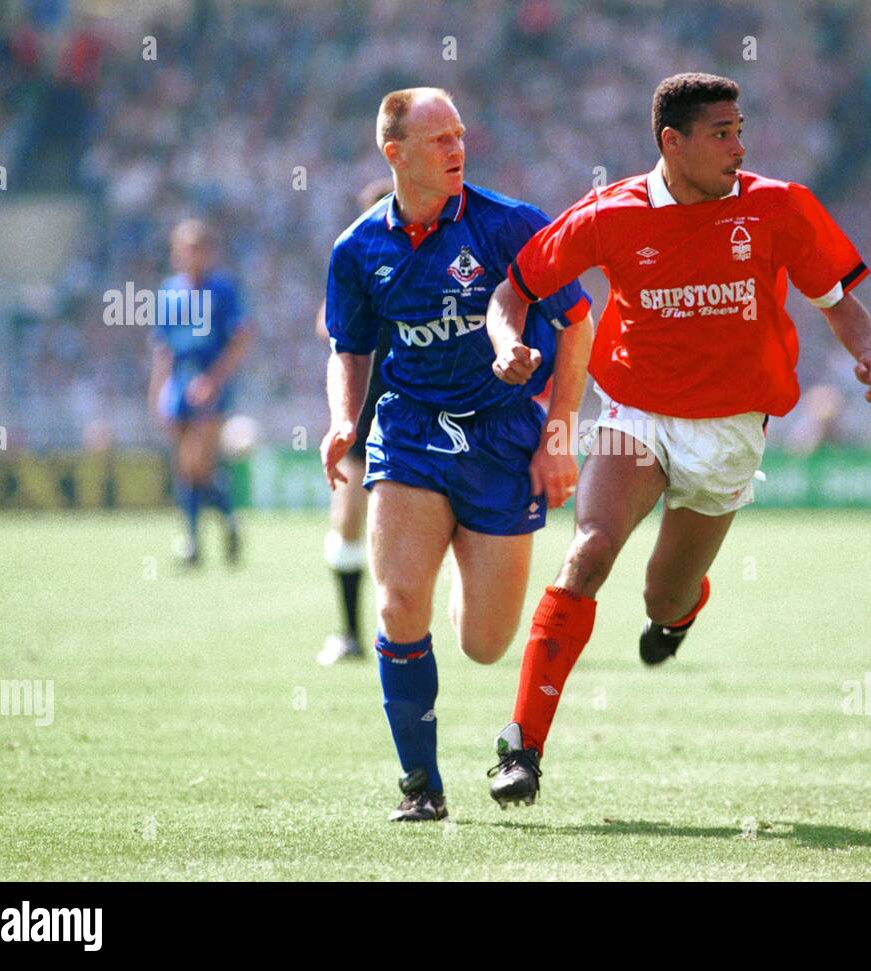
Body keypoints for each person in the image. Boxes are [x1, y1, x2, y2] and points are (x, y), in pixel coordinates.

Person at [484, 72, 871, 807]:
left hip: (732, 427)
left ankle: (678, 612)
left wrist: (867, 354)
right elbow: (513, 289)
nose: (740, 147)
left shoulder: (779, 207)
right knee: (587, 554)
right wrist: (505, 342)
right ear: (671, 143)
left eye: (741, 130)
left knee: (661, 591)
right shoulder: (610, 214)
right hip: (636, 411)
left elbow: (838, 303)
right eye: (722, 133)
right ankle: (521, 747)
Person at [319, 87, 592, 821]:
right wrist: (345, 419)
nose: (456, 150)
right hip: (410, 429)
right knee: (400, 602)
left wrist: (558, 431)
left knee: (483, 642)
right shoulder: (356, 249)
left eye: (460, 136)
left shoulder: (512, 225)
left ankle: (467, 564)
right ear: (395, 153)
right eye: (438, 139)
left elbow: (578, 320)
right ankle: (420, 785)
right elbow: (349, 348)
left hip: (504, 435)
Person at [315, 177, 393, 666]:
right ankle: (349, 633)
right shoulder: (354, 264)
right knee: (347, 521)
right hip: (363, 411)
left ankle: (407, 627)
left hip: (419, 408)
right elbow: (328, 324)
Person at [147, 219, 252, 566]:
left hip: (210, 385)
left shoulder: (223, 290)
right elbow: (162, 348)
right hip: (179, 384)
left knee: (198, 463)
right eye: (183, 247)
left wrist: (213, 381)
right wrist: (158, 391)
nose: (189, 254)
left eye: (196, 248)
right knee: (186, 468)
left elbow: (241, 337)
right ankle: (220, 524)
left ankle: (194, 541)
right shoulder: (169, 290)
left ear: (208, 252)